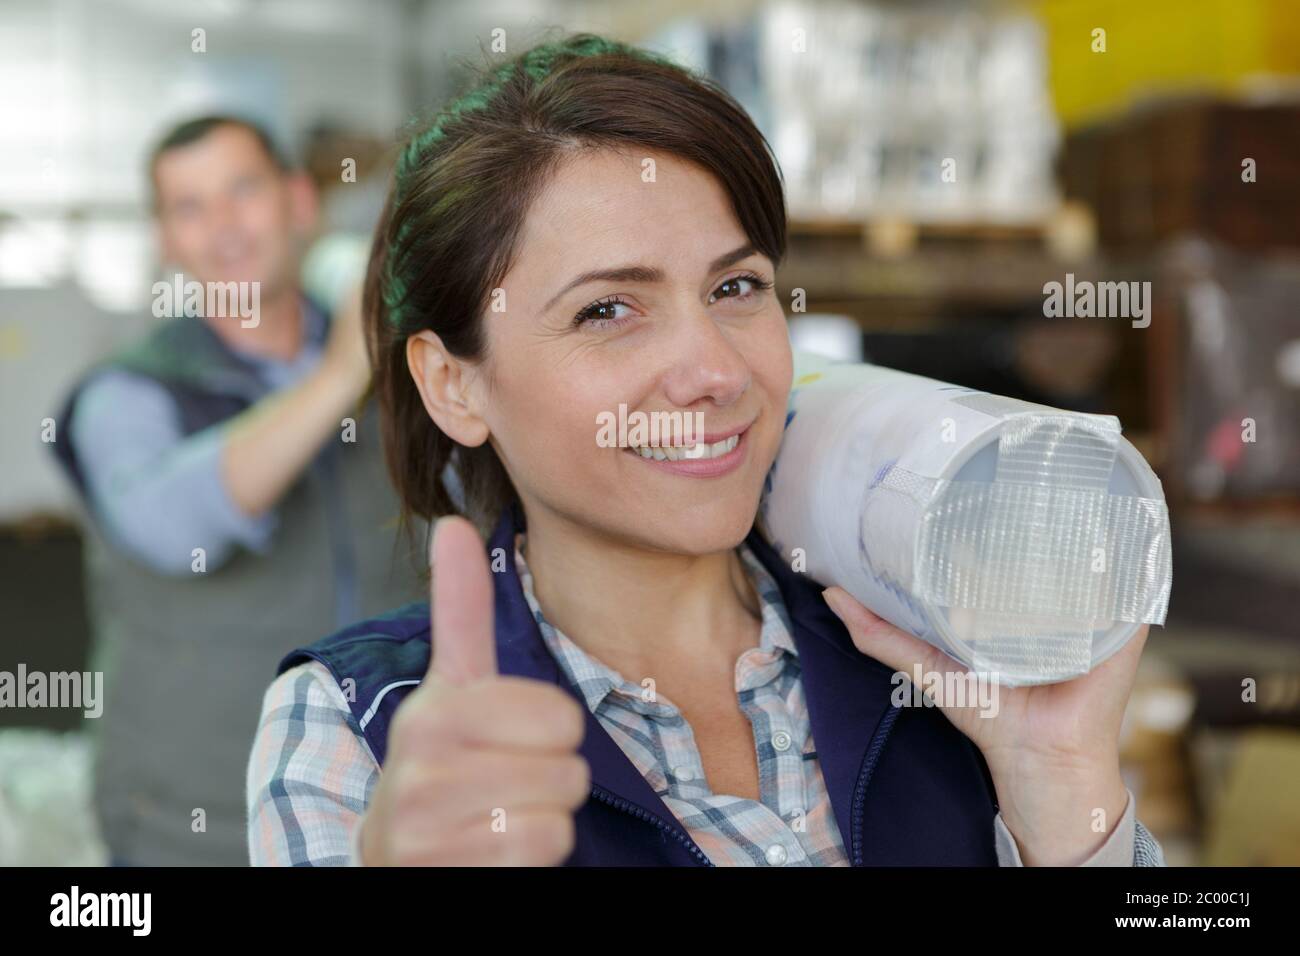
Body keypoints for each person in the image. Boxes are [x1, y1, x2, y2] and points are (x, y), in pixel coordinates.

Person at [247, 35, 1166, 867]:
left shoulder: (932, 647)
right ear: (454, 383)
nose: (716, 369)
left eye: (735, 286)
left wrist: (1063, 787)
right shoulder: (358, 728)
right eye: (607, 308)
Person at [51, 116, 425, 866]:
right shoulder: (126, 394)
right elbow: (171, 526)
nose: (223, 227)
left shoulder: (402, 377)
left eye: (243, 191)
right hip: (196, 824)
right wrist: (342, 375)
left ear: (298, 203)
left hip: (389, 810)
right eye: (190, 207)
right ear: (166, 240)